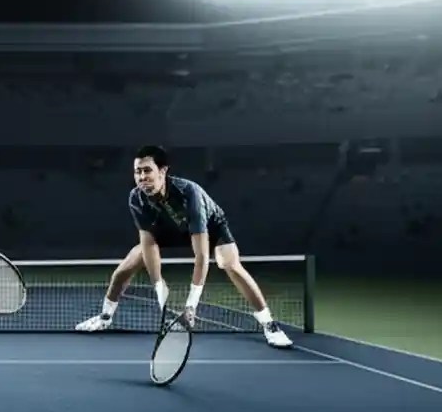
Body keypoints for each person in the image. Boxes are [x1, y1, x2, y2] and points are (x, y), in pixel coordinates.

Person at [74, 145, 293, 349]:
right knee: (123, 270)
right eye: (137, 172)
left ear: (163, 171)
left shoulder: (189, 193)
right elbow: (149, 244)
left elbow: (201, 255)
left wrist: (191, 305)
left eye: (147, 171)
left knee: (230, 264)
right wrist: (159, 287)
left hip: (211, 226)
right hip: (167, 229)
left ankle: (269, 324)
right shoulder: (136, 198)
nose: (142, 178)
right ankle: (104, 318)